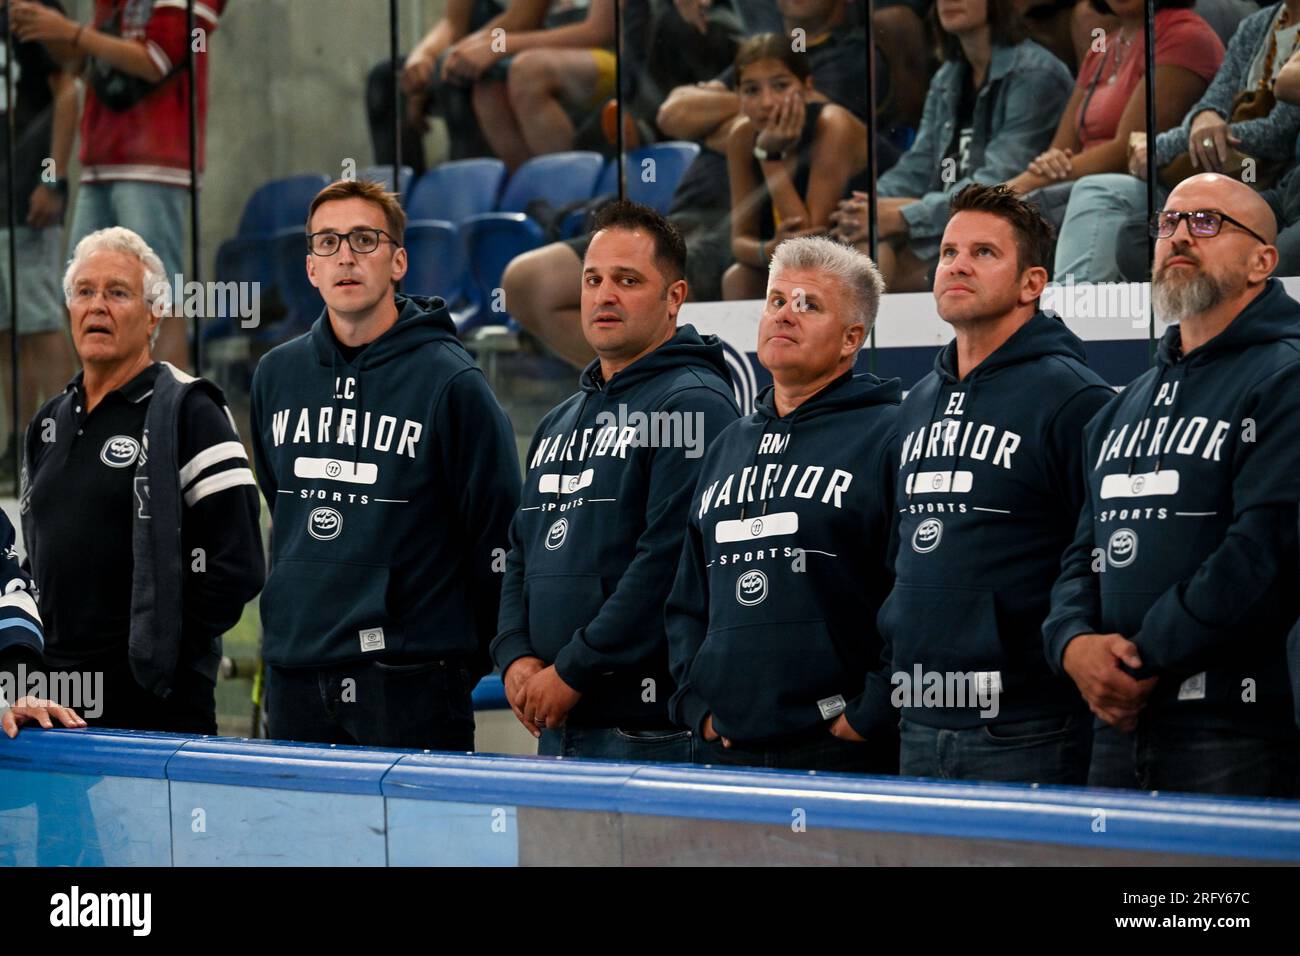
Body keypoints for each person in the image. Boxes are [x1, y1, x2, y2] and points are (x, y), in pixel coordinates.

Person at [1046, 173, 1300, 797]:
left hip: (1231, 727)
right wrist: (1072, 643)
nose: (1180, 235)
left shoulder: (1285, 379)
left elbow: (1262, 553)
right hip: (1113, 723)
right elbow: (1085, 550)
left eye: (1207, 222)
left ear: (1261, 261)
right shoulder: (1119, 405)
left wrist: (1141, 659)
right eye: (1169, 223)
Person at [250, 179, 520, 751]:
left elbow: (496, 535)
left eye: (364, 239)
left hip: (410, 682)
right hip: (294, 674)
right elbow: (284, 507)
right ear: (310, 268)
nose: (345, 255)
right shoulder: (275, 376)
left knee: (423, 844)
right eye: (327, 242)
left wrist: (453, 659)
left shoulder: (453, 382)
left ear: (398, 261)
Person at [880, 183, 1113, 784]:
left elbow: (1094, 552)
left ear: (1032, 283)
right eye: (948, 251)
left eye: (983, 253)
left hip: (1025, 723)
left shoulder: (1072, 397)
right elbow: (898, 550)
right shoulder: (917, 402)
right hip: (918, 715)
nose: (956, 263)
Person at [492, 200, 738, 761]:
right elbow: (519, 548)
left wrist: (572, 670)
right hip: (558, 719)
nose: (605, 295)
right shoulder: (560, 418)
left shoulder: (694, 403)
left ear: (674, 297)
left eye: (627, 281)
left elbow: (664, 567)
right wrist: (515, 656)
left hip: (646, 730)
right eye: (593, 280)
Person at [665, 236, 900, 772]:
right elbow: (687, 598)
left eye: (808, 304)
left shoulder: (891, 434)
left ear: (850, 338)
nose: (784, 315)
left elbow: (913, 589)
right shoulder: (728, 442)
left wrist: (872, 710)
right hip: (725, 747)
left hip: (842, 747)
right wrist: (695, 706)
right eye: (776, 301)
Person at [21, 227, 264, 735]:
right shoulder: (47, 422)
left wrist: (158, 655)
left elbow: (237, 565)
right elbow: (35, 559)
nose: (97, 306)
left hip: (157, 710)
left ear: (154, 313)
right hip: (56, 709)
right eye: (84, 292)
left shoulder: (191, 410)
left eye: (117, 292)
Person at [11, 0, 226, 370]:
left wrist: (74, 33)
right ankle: (112, 403)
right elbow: (80, 67)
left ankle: (171, 416)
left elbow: (157, 59)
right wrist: (57, 32)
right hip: (100, 158)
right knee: (78, 287)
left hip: (154, 161)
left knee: (157, 296)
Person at [830, 0, 1073, 292]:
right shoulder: (948, 75)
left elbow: (1000, 185)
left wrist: (905, 216)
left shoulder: (1036, 74)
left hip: (1002, 225)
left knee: (875, 251)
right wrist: (867, 206)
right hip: (944, 217)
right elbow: (917, 164)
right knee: (864, 236)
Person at [1055, 0, 1300, 282]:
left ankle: (1077, 314)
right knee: (1135, 238)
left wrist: (1161, 147)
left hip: (1261, 180)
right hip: (1223, 178)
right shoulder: (1258, 25)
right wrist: (1205, 117)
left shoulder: (1183, 34)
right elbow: (1207, 108)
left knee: (1094, 192)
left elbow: (1277, 134)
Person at [721, 35, 871, 300]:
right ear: (738, 96)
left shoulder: (833, 125)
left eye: (780, 86)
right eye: (752, 90)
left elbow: (810, 240)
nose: (767, 102)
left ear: (807, 87)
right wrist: (768, 249)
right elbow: (739, 240)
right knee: (738, 277)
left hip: (859, 247)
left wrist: (769, 157)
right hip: (796, 259)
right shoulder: (741, 136)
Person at [0, 0, 78, 474]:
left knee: (39, 318)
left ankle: (60, 435)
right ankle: (19, 439)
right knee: (4, 327)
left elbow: (68, 91)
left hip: (27, 195)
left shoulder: (31, 9)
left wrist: (53, 178)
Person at [365, 0, 507, 172]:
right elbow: (452, 22)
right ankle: (400, 195)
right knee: (386, 81)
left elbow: (522, 20)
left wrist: (457, 55)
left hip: (516, 42)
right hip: (480, 39)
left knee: (455, 75)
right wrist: (424, 57)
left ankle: (468, 189)